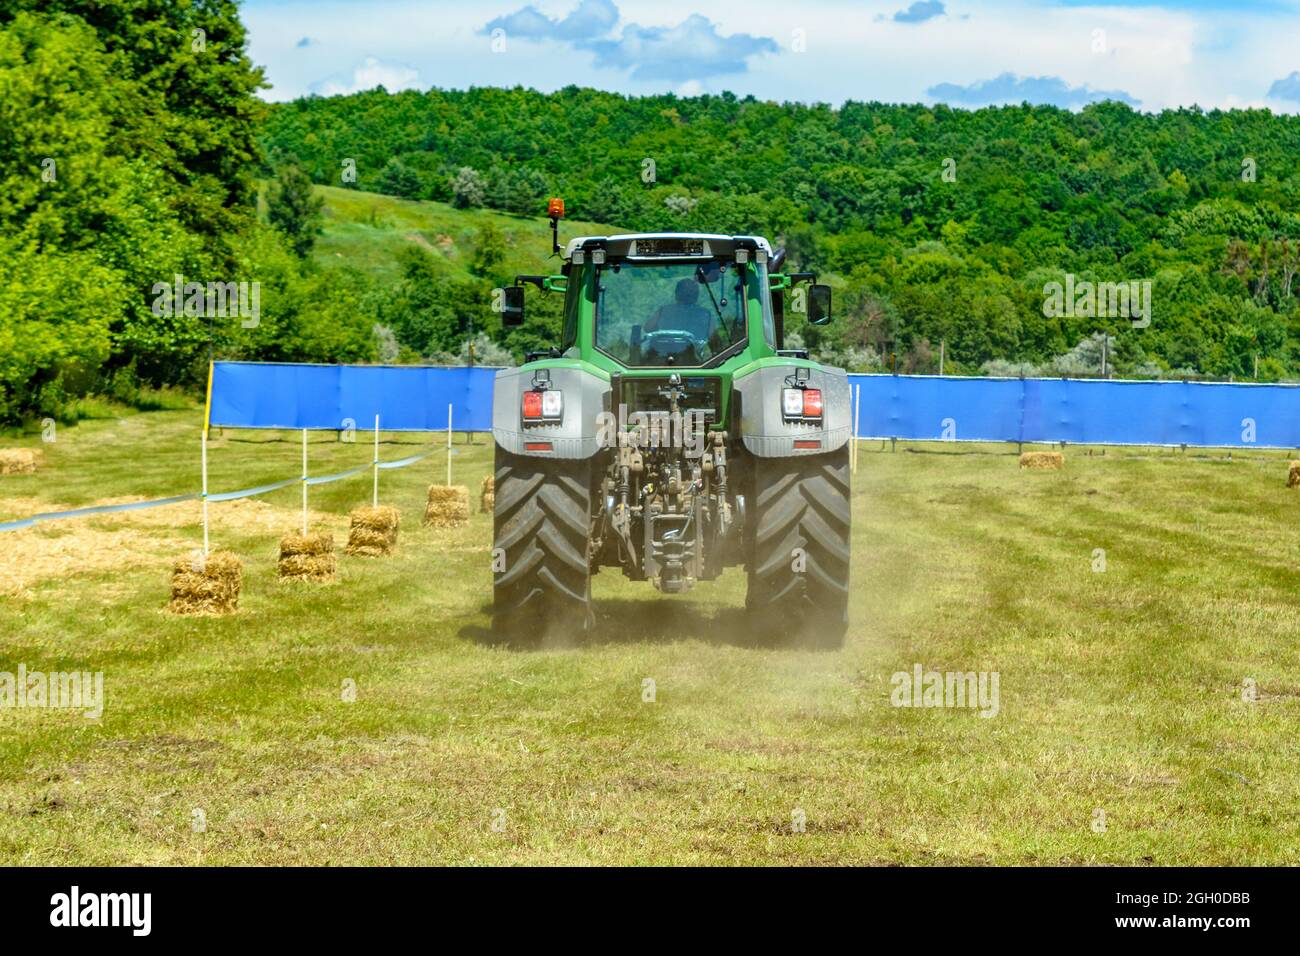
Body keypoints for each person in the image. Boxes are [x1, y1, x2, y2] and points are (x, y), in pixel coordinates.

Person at [645, 278, 714, 341]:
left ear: (676, 294)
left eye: (690, 293)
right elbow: (714, 339)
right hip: (693, 353)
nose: (688, 295)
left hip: (663, 352)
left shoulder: (663, 311)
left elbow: (648, 328)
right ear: (696, 296)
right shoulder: (705, 314)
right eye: (686, 292)